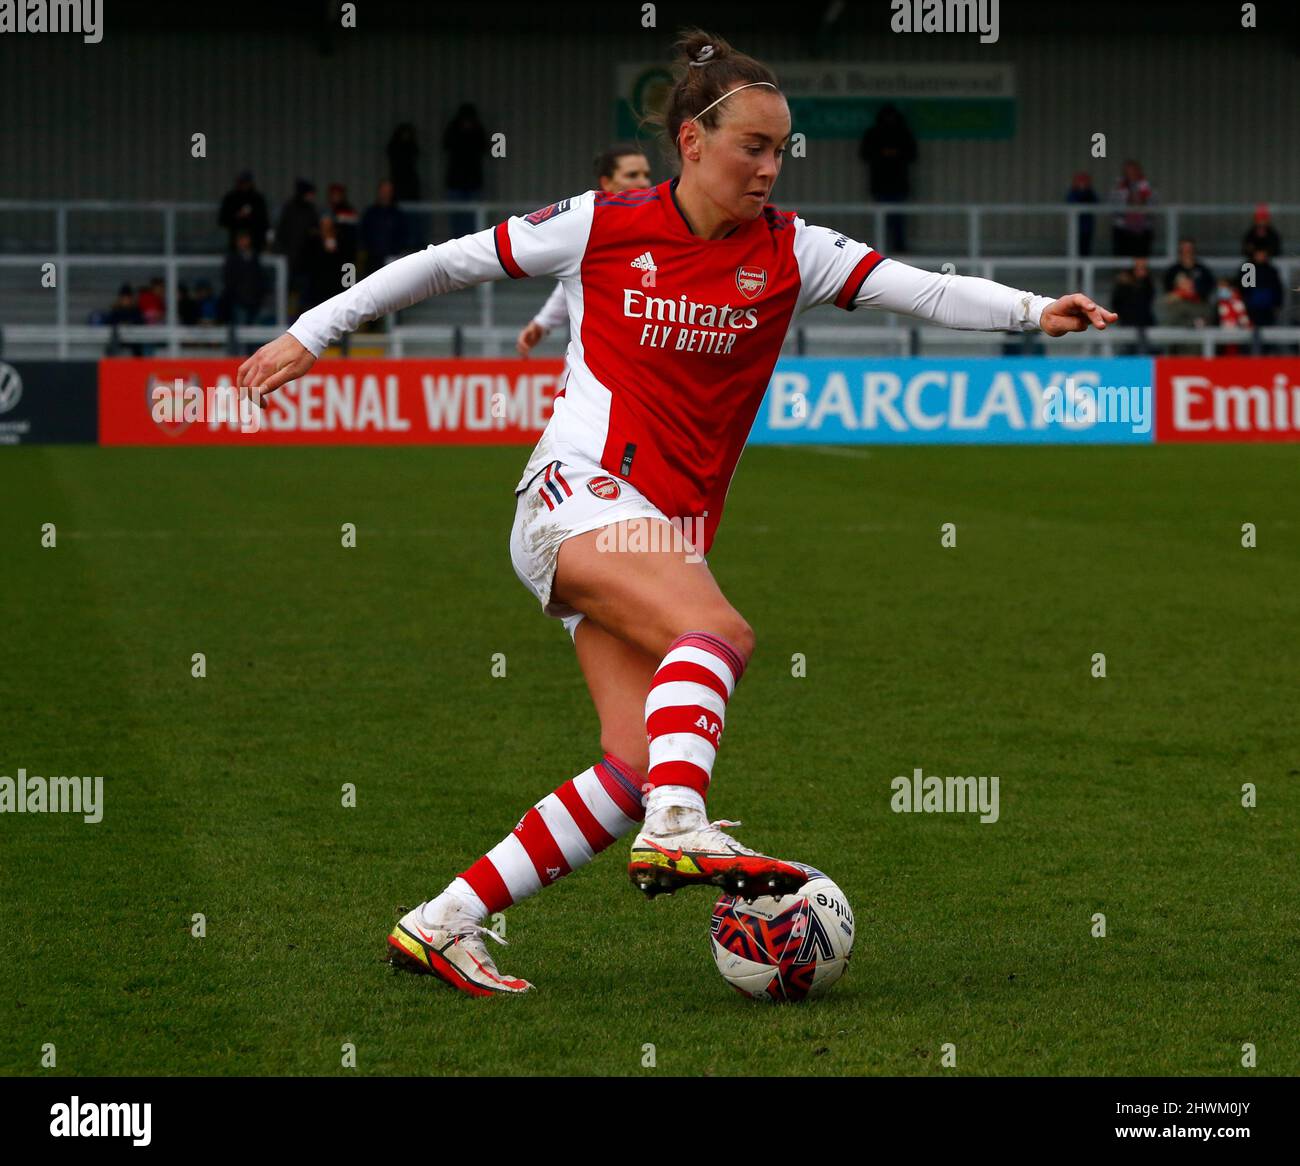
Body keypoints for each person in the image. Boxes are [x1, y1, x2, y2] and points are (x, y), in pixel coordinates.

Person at [237, 28, 1115, 997]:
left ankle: (442, 921)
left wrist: (1036, 312)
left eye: (781, 150)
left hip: (653, 528)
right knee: (715, 628)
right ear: (691, 142)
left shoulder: (795, 250)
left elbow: (929, 291)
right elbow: (444, 263)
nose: (770, 168)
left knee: (629, 764)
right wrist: (310, 332)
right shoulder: (601, 223)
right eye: (753, 146)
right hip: (575, 495)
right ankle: (679, 825)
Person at [516, 142, 652, 357]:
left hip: (645, 359)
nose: (644, 182)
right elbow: (578, 279)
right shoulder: (590, 229)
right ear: (606, 182)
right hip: (596, 361)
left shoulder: (658, 228)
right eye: (632, 175)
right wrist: (543, 322)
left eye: (646, 174)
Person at [858, 103, 917, 254]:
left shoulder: (903, 134)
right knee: (881, 220)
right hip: (880, 185)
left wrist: (896, 154)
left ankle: (899, 248)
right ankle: (880, 249)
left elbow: (912, 154)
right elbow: (865, 154)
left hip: (899, 185)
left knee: (898, 219)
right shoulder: (874, 134)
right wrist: (882, 154)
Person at [274, 179, 321, 315]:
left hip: (305, 263)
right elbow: (281, 234)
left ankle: (299, 322)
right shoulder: (290, 209)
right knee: (285, 295)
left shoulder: (311, 210)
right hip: (289, 262)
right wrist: (283, 253)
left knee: (305, 297)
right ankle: (284, 321)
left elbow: (314, 234)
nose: (312, 197)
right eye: (310, 193)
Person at [443, 103, 489, 238]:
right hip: (455, 182)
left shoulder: (478, 131)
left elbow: (485, 147)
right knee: (457, 218)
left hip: (473, 182)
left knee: (472, 221)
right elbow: (446, 145)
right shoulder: (453, 130)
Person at [359, 179, 410, 278]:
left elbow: (404, 235)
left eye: (388, 191)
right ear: (379, 192)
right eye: (383, 191)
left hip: (392, 258)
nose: (385, 194)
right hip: (373, 260)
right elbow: (363, 234)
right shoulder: (370, 213)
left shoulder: (398, 214)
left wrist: (396, 251)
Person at [218, 170, 270, 255]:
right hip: (235, 242)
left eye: (246, 182)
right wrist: (237, 216)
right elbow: (223, 220)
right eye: (242, 182)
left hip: (255, 242)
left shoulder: (257, 199)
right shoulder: (231, 199)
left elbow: (264, 222)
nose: (244, 185)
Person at [1110, 159, 1155, 257]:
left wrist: (1141, 201)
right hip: (1122, 229)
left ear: (1139, 171)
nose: (1131, 174)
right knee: (1122, 258)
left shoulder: (1146, 185)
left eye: (1134, 171)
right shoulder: (1119, 186)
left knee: (1141, 258)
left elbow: (1154, 204)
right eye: (1128, 171)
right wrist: (1127, 199)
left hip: (1143, 230)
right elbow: (1113, 204)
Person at [1164, 238, 1215, 304]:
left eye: (1189, 249)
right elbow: (1168, 289)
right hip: (1177, 304)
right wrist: (1180, 290)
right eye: (1184, 249)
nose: (1186, 252)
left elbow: (1209, 288)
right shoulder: (1172, 271)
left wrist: (1194, 288)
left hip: (1198, 304)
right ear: (1180, 252)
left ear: (1194, 251)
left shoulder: (1203, 270)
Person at [1065, 171, 1098, 257]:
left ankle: (1084, 269)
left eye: (1085, 180)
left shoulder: (1091, 193)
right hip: (1075, 227)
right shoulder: (1072, 193)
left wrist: (1085, 191)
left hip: (1087, 227)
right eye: (1080, 180)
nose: (1082, 183)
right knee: (1074, 249)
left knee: (1085, 249)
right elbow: (1071, 203)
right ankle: (1075, 269)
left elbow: (1095, 203)